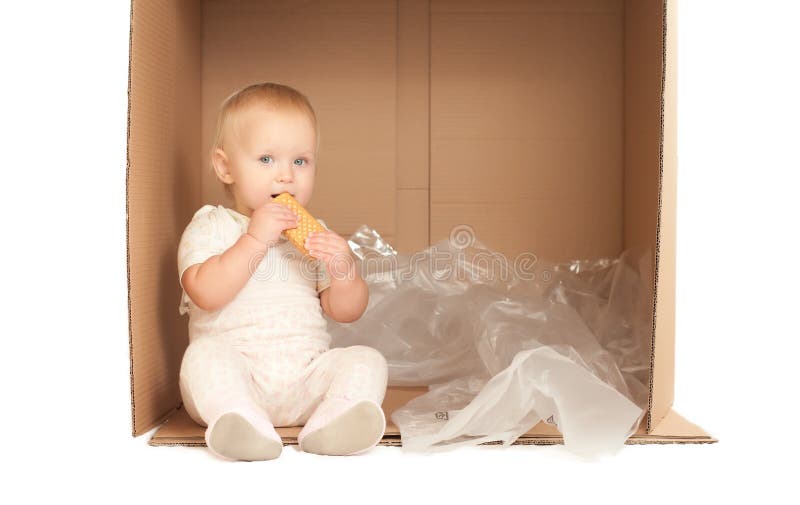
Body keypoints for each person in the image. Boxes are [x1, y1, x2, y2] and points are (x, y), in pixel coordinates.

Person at [176, 82, 388, 461]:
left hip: (307, 381)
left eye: (300, 161)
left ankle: (334, 420)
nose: (286, 176)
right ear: (226, 167)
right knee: (202, 358)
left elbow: (346, 311)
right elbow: (204, 292)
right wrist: (255, 239)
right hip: (236, 375)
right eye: (266, 160)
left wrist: (344, 272)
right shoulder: (212, 225)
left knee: (367, 358)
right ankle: (239, 421)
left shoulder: (313, 234)